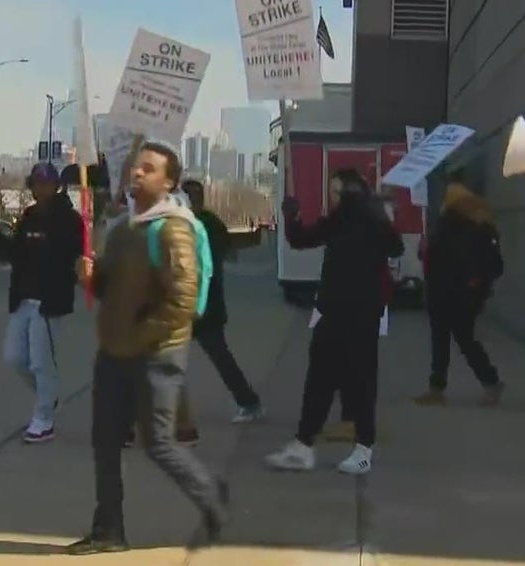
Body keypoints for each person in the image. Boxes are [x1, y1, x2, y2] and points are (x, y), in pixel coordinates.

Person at [66, 142, 228, 555]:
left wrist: (137, 340)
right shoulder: (125, 228)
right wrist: (89, 275)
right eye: (136, 167)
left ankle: (210, 494)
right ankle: (108, 531)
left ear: (169, 181)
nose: (138, 173)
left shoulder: (174, 228)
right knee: (104, 441)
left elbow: (182, 302)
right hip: (114, 353)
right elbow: (108, 288)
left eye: (149, 169)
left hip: (156, 354)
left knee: (158, 444)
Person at [265, 169, 404, 475]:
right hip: (333, 311)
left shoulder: (368, 218)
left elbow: (395, 248)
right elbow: (303, 239)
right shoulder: (347, 218)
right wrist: (293, 216)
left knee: (360, 381)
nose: (331, 196)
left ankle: (363, 448)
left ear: (350, 193)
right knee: (321, 379)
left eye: (336, 191)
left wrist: (385, 216)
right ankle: (303, 445)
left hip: (361, 314)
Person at [0, 162, 83, 443]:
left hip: (50, 303)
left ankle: (43, 419)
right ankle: (48, 396)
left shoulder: (68, 220)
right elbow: (15, 254)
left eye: (46, 183)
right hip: (23, 300)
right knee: (15, 358)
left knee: (41, 363)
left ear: (56, 186)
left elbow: (71, 258)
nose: (40, 188)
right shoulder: (29, 216)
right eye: (36, 183)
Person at [179, 179, 264, 424]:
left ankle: (248, 402)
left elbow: (207, 264)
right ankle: (248, 401)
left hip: (202, 304)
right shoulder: (206, 223)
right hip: (198, 303)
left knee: (217, 356)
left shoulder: (201, 225)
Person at [414, 181, 505, 407]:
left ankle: (489, 381)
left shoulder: (472, 227)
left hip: (458, 294)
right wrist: (424, 249)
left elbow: (489, 263)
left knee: (462, 340)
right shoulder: (446, 225)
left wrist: (475, 279)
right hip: (445, 292)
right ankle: (438, 388)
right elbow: (433, 257)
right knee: (446, 341)